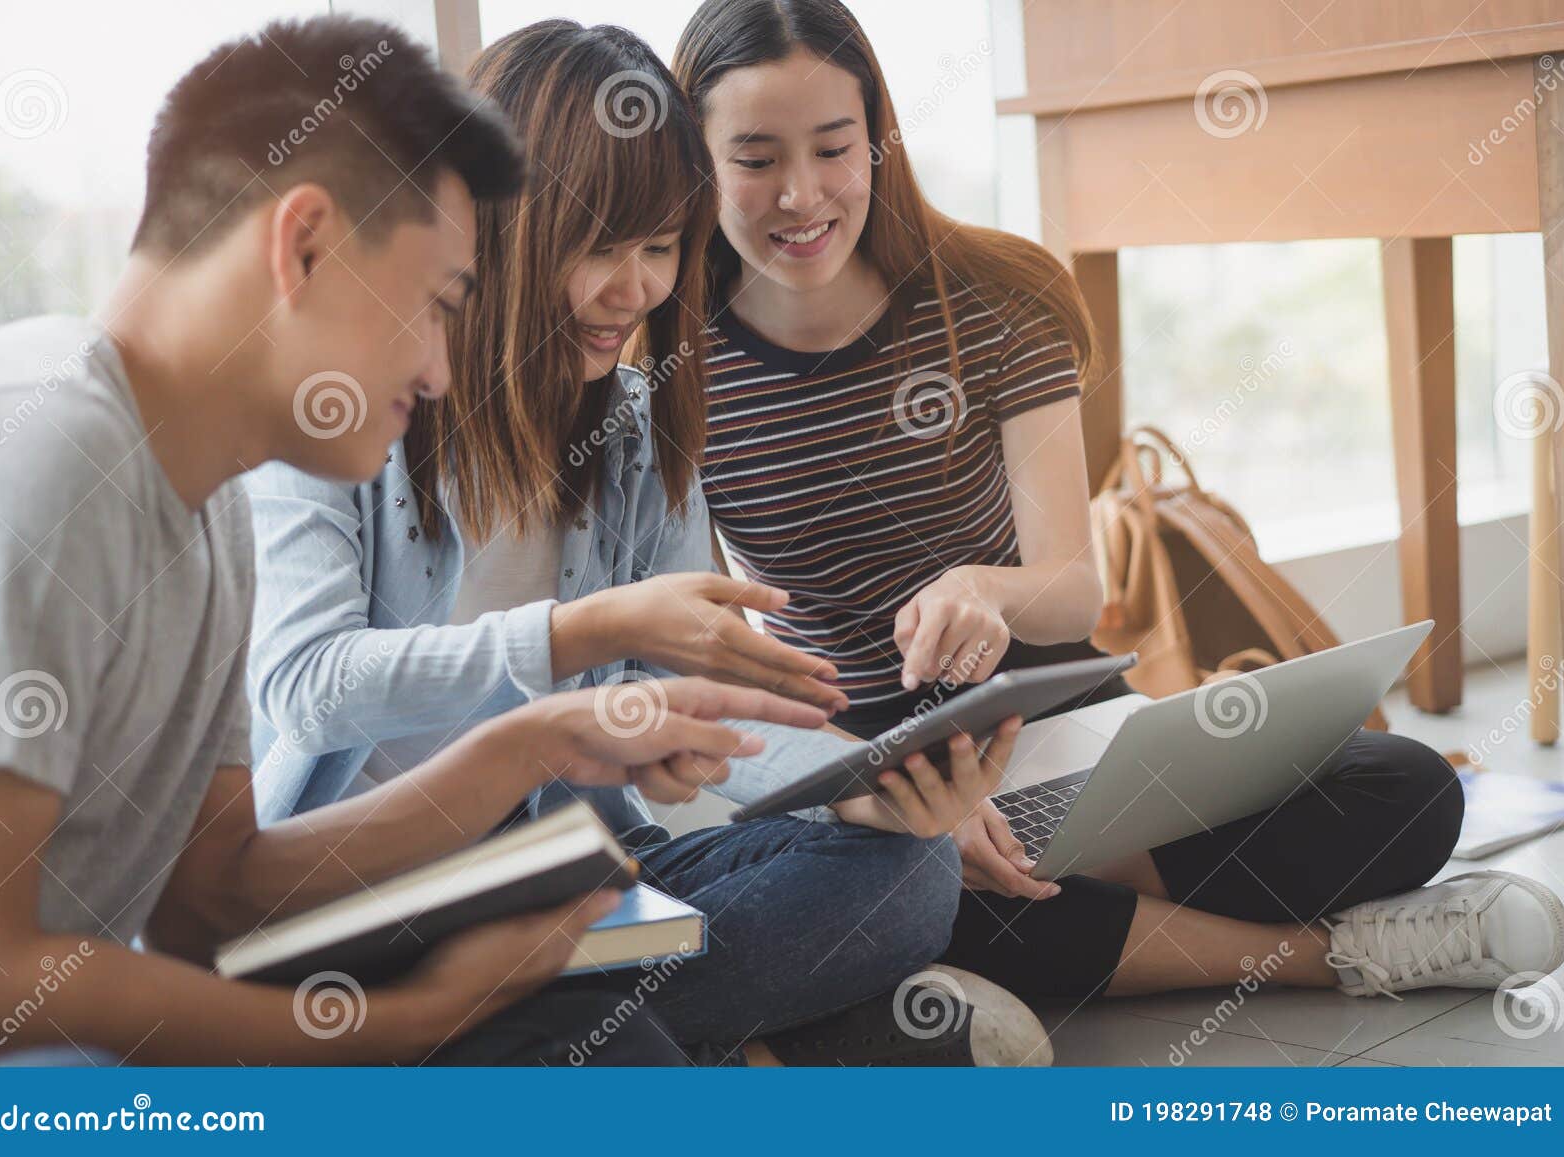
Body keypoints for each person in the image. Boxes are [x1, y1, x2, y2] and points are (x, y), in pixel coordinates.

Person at [672, 0, 1564, 1006]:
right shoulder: (671, 370)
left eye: (833, 147)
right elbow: (699, 650)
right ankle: (1335, 953)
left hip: (1056, 726)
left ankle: (1030, 905)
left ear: (878, 139)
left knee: (1406, 790)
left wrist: (980, 587)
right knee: (880, 884)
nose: (801, 194)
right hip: (865, 771)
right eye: (754, 158)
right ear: (695, 161)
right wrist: (873, 796)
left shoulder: (996, 298)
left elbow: (1072, 592)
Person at [0, 16, 826, 1068]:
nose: (438, 369)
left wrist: (529, 745)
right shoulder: (46, 442)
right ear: (304, 246)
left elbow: (211, 901)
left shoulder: (207, 511)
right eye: (435, 306)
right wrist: (402, 1020)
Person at [243, 20, 1047, 1067]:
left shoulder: (632, 423)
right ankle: (716, 1040)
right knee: (575, 1019)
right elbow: (307, 685)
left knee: (907, 871)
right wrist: (580, 632)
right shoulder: (333, 406)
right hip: (371, 897)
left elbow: (711, 685)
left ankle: (599, 1043)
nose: (635, 291)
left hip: (580, 873)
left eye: (661, 247)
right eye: (598, 247)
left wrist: (867, 781)